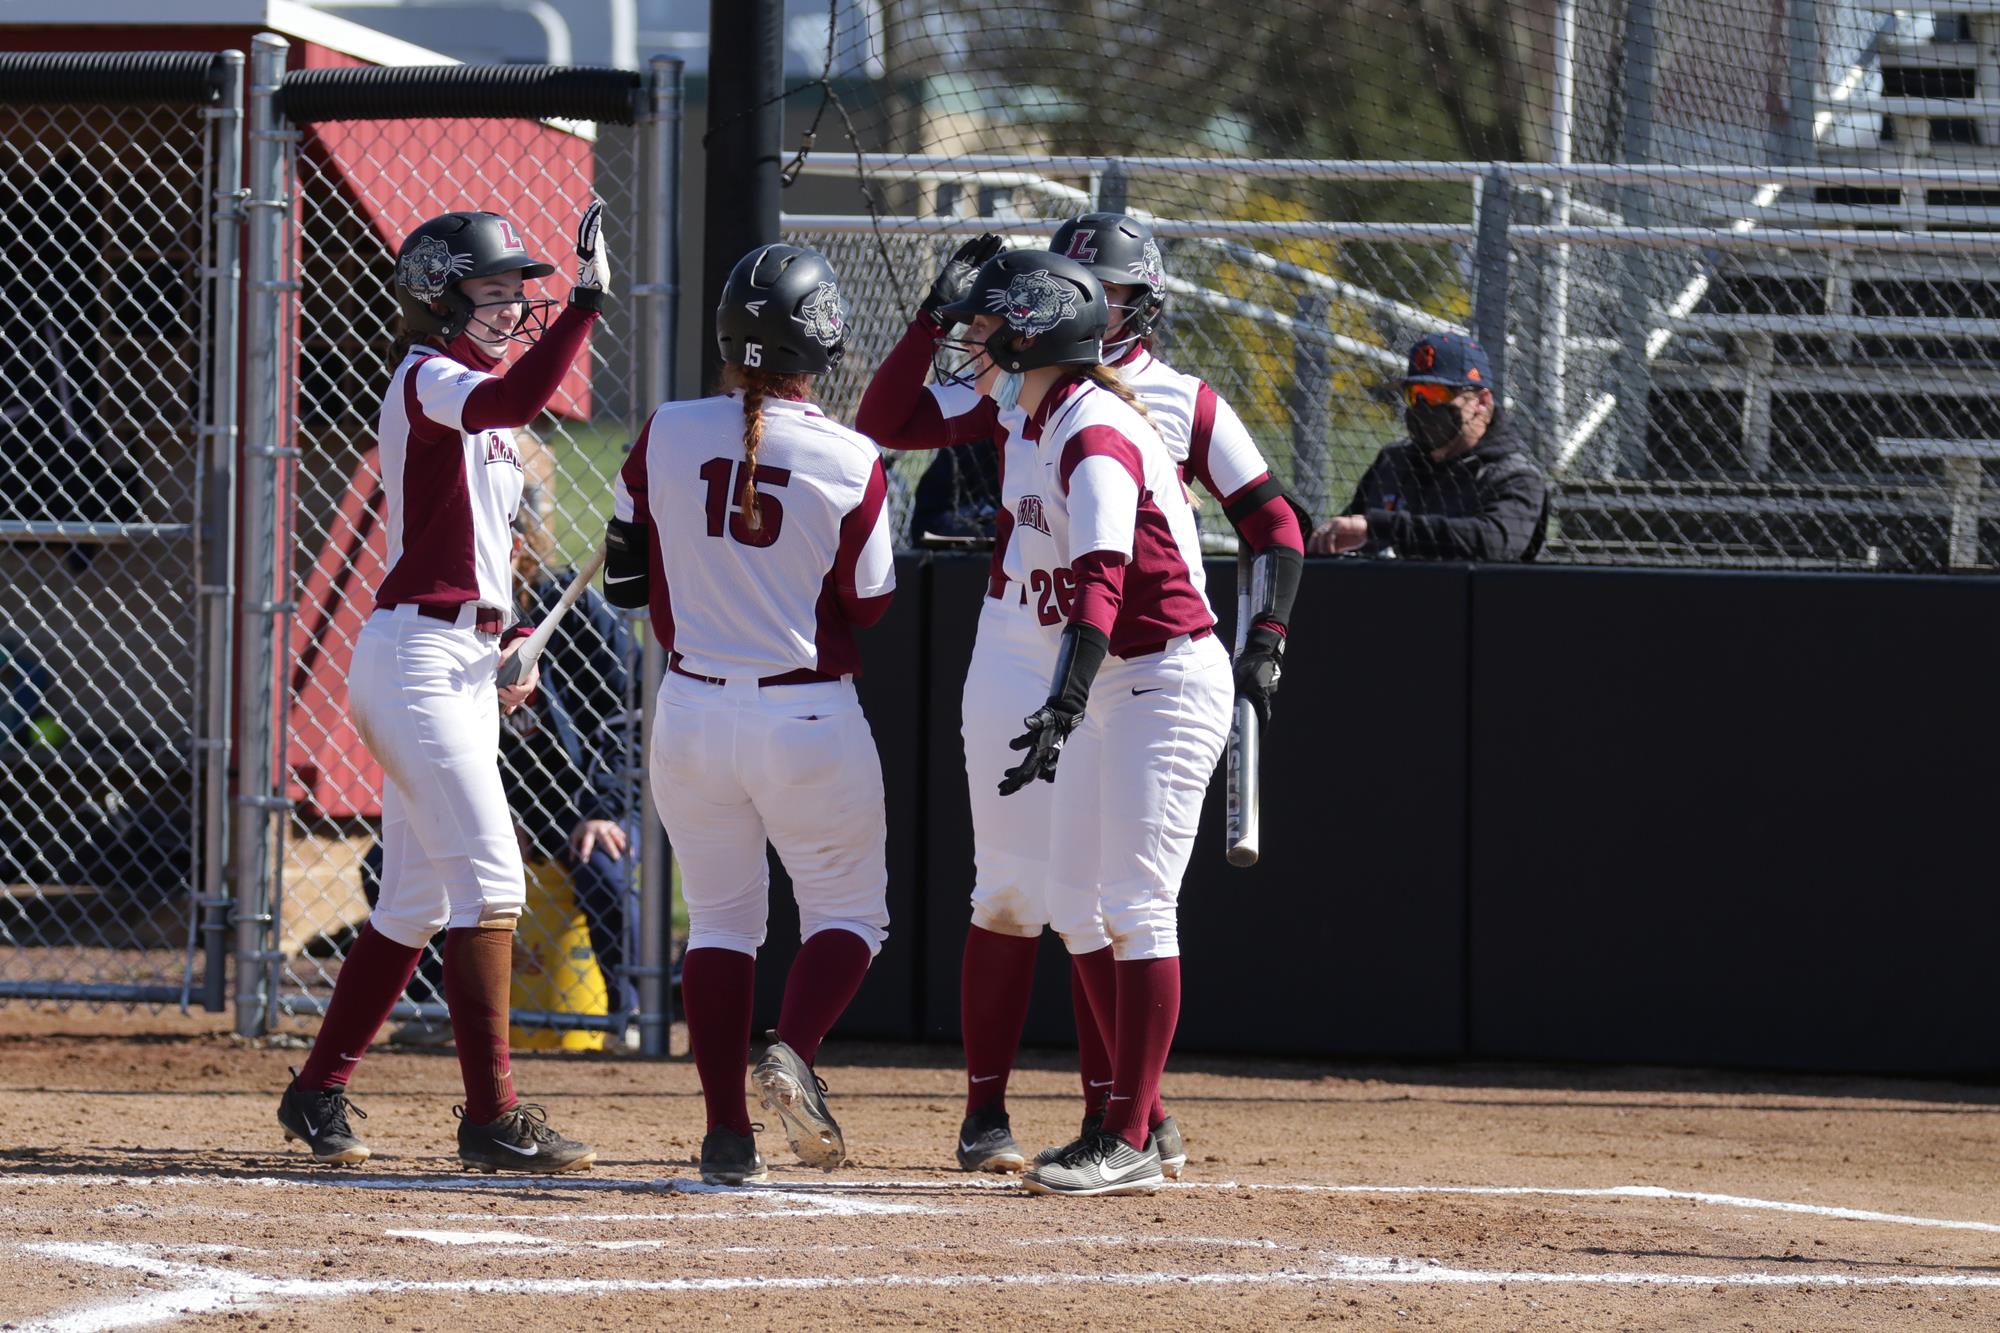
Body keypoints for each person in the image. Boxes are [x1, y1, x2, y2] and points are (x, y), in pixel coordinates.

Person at [274, 203, 610, 1173]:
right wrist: (584, 308)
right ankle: (491, 1114)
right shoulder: (429, 376)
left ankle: (317, 1090)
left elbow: (476, 545)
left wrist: (514, 643)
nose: (514, 304)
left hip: (462, 660)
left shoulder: (482, 402)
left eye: (520, 288)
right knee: (492, 878)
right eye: (493, 288)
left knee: (413, 902)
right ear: (436, 295)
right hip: (415, 660)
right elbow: (503, 408)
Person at [605, 243, 896, 1187]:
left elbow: (620, 582)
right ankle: (795, 1046)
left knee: (725, 922)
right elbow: (871, 604)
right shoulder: (854, 457)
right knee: (850, 912)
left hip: (689, 710)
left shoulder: (664, 429)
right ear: (824, 346)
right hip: (805, 713)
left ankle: (727, 1132)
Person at [965, 248, 1243, 1197]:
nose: (980, 337)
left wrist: (1064, 697)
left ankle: (1123, 1133)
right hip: (1117, 675)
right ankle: (1151, 1119)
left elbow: (1106, 578)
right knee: (1074, 904)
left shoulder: (1091, 432)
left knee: (1133, 904)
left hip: (1165, 676)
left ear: (1043, 333)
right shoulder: (1042, 417)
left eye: (997, 323)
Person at [503, 472, 635, 1020]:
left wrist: (604, 810)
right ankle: (432, 1008)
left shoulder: (569, 609)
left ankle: (630, 1016)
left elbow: (632, 712)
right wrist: (498, 813)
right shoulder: (451, 621)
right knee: (383, 864)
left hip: (588, 801)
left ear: (514, 545)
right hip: (508, 807)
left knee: (602, 870)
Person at [1308, 332, 1548, 561]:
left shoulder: (1515, 476)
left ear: (1481, 402)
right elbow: (1351, 529)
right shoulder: (1394, 462)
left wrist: (1383, 528)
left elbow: (1492, 543)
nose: (1423, 407)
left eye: (1436, 394)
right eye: (1414, 394)